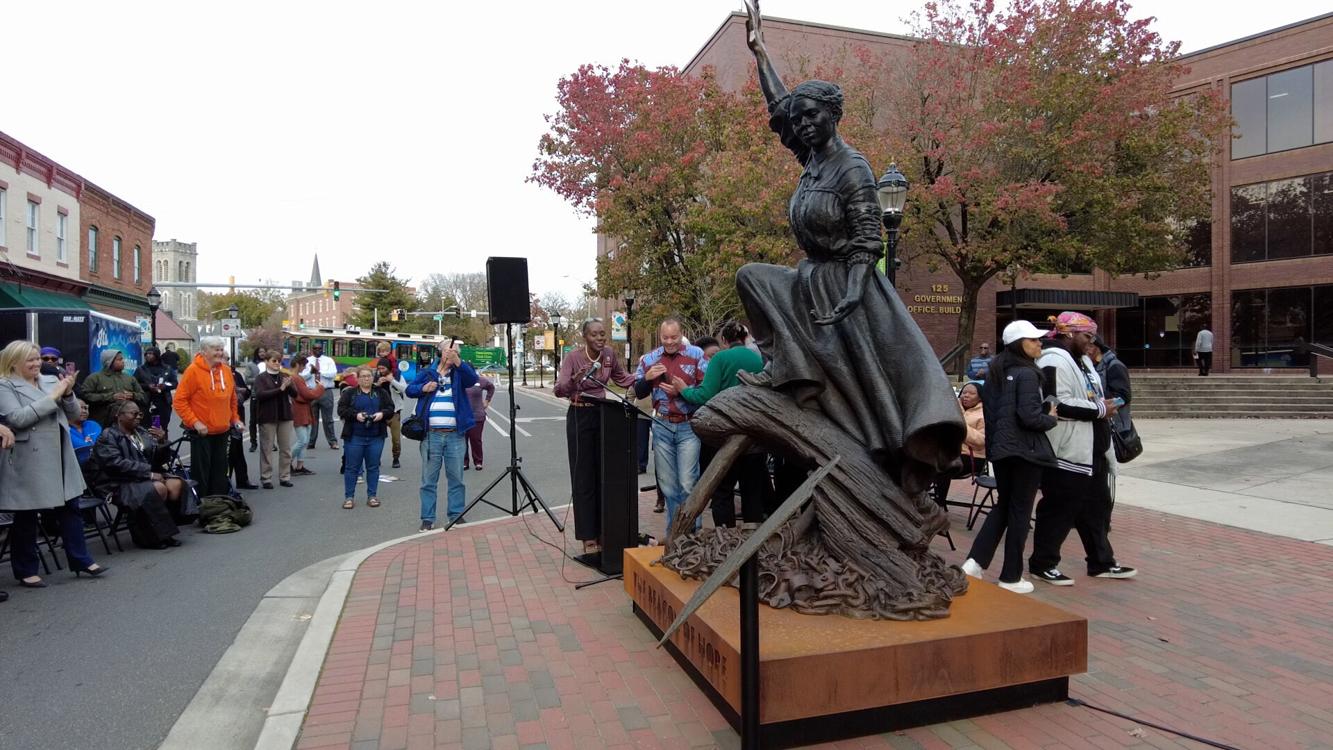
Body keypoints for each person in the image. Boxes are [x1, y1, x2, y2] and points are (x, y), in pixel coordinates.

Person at [735, 5, 964, 495]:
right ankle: (782, 368)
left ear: (833, 114)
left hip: (848, 286)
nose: (804, 124)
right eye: (802, 119)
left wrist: (854, 294)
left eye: (813, 115)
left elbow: (868, 239)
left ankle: (885, 463)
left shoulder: (850, 168)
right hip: (813, 276)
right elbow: (780, 110)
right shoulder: (811, 158)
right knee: (751, 276)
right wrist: (759, 51)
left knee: (864, 392)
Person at [1029, 312, 1136, 586]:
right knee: (1060, 508)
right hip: (1067, 451)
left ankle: (1101, 562)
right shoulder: (1053, 359)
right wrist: (1101, 408)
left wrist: (1103, 406)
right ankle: (1043, 563)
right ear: (1068, 333)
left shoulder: (1084, 360)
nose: (1092, 342)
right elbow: (1055, 403)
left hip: (1093, 450)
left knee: (1097, 509)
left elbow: (1091, 397)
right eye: (1087, 336)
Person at [959, 321, 1058, 593]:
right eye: (1034, 340)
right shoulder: (1027, 375)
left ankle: (975, 562)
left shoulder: (995, 373)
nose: (1040, 343)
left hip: (1001, 452)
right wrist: (1049, 419)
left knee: (1004, 506)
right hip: (1025, 452)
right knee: (1019, 513)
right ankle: (1011, 575)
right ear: (1019, 344)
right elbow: (1029, 417)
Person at [0, 340, 107, 586]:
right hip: (29, 457)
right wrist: (55, 395)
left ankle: (81, 559)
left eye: (38, 358)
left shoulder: (50, 382)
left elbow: (71, 416)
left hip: (59, 452)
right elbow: (18, 418)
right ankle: (26, 569)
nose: (37, 364)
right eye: (31, 360)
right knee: (27, 516)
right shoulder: (5, 386)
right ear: (14, 362)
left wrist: (68, 394)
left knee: (71, 507)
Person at [675, 320, 769, 528]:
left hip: (725, 436)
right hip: (754, 435)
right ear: (744, 339)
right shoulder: (757, 358)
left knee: (722, 491)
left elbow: (706, 394)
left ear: (724, 340)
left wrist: (683, 389)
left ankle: (725, 540)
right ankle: (750, 545)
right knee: (751, 493)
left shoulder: (720, 358)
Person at [555, 319, 637, 553]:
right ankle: (587, 535)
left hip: (602, 416)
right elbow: (559, 389)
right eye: (595, 335)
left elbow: (623, 379)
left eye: (603, 334)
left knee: (603, 474)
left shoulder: (609, 355)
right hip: (579, 417)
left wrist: (646, 376)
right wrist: (574, 380)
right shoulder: (573, 358)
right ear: (585, 337)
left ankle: (604, 529)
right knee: (583, 477)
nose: (600, 338)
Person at [634, 318, 706, 532]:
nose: (669, 342)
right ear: (660, 336)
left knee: (687, 482)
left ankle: (693, 531)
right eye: (665, 337)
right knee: (667, 484)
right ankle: (675, 533)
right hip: (661, 425)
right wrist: (647, 378)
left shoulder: (696, 355)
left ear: (680, 334)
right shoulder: (650, 359)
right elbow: (638, 392)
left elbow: (706, 391)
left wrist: (682, 391)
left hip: (688, 426)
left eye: (674, 337)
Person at [89, 399, 184, 549]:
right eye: (134, 414)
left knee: (176, 484)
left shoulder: (141, 432)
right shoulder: (108, 436)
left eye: (140, 413)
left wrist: (162, 442)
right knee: (158, 488)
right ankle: (148, 537)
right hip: (118, 482)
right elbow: (115, 464)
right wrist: (149, 474)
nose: (139, 417)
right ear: (119, 416)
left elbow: (159, 461)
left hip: (141, 477)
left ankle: (166, 531)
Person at [406, 347, 479, 531]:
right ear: (440, 353)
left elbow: (472, 379)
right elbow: (410, 390)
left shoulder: (459, 373)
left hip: (455, 434)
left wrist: (458, 362)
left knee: (457, 478)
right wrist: (424, 387)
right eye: (448, 350)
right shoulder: (428, 373)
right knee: (429, 480)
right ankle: (427, 518)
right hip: (431, 435)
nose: (451, 353)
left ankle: (456, 515)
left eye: (455, 351)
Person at [174, 336, 246, 497]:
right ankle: (203, 509)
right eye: (216, 349)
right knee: (202, 474)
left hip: (222, 431)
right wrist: (195, 422)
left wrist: (235, 419)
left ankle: (219, 507)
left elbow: (232, 399)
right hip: (202, 434)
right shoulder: (193, 371)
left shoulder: (226, 371)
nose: (220, 353)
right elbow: (179, 401)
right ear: (204, 352)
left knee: (220, 473)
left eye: (221, 349)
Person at [338, 365, 394, 509]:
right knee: (352, 468)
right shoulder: (350, 393)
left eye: (369, 376)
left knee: (373, 467)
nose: (366, 379)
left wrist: (381, 414)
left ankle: (372, 496)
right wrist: (356, 415)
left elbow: (390, 408)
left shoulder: (380, 392)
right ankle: (349, 497)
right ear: (357, 378)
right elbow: (341, 410)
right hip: (355, 436)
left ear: (372, 377)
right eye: (363, 376)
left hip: (376, 436)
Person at [931, 382, 987, 509]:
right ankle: (922, 499)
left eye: (971, 393)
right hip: (947, 451)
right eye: (964, 392)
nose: (966, 396)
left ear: (980, 397)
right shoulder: (953, 408)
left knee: (945, 465)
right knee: (924, 461)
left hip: (972, 457)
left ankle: (940, 503)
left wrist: (960, 427)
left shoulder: (984, 414)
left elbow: (981, 441)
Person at [253, 351, 296, 489]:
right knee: (267, 449)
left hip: (284, 415)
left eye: (279, 361)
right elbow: (261, 395)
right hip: (267, 416)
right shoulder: (261, 378)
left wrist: (289, 386)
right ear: (266, 362)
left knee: (285, 449)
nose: (277, 363)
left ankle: (285, 476)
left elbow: (295, 395)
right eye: (274, 361)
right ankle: (266, 478)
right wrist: (280, 389)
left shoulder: (284, 376)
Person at [78, 349, 148, 428]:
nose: (123, 361)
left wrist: (133, 395)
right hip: (102, 423)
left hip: (126, 424)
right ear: (109, 362)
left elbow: (143, 396)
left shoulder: (130, 379)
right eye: (119, 359)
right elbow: (84, 396)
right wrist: (110, 397)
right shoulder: (94, 378)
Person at [289, 354, 324, 476]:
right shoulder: (296, 378)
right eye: (303, 365)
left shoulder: (296, 377)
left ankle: (300, 466)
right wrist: (320, 388)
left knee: (305, 439)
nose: (304, 368)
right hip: (299, 410)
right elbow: (307, 395)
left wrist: (310, 392)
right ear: (298, 364)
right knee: (303, 440)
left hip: (303, 409)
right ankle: (286, 462)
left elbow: (304, 395)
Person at [227, 354, 258, 491]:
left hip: (238, 416)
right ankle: (225, 482)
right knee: (229, 452)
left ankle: (242, 480)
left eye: (227, 358)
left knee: (238, 450)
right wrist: (235, 391)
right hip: (224, 419)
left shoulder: (235, 374)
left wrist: (241, 393)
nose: (226, 361)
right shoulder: (217, 374)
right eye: (224, 358)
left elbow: (246, 391)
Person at [135, 346, 178, 439]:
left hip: (163, 403)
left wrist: (165, 386)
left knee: (161, 427)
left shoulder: (167, 369)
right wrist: (147, 387)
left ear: (157, 355)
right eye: (146, 354)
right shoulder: (140, 369)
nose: (148, 356)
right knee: (147, 428)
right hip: (146, 403)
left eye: (151, 354)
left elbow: (174, 383)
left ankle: (163, 448)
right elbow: (135, 384)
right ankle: (148, 449)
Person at [374, 357, 408, 469]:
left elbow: (405, 389)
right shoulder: (376, 376)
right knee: (378, 438)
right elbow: (368, 391)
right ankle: (375, 458)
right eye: (379, 368)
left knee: (396, 438)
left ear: (388, 368)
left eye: (383, 368)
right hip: (379, 412)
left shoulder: (397, 376)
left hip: (394, 412)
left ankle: (396, 458)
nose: (381, 370)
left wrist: (391, 380)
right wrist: (377, 384)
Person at [305, 343, 339, 450]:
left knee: (328, 419)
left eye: (319, 349)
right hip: (311, 391)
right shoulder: (307, 361)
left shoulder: (328, 360)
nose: (317, 350)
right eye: (315, 348)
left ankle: (332, 441)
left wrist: (319, 371)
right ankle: (311, 442)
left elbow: (333, 374)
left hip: (325, 391)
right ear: (312, 350)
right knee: (312, 419)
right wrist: (311, 372)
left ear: (322, 350)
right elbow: (302, 376)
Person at [463, 374, 495, 471]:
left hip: (477, 415)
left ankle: (478, 462)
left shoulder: (479, 380)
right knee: (462, 441)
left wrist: (487, 401)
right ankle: (464, 462)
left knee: (475, 439)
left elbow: (491, 387)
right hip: (462, 416)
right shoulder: (459, 380)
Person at [68, 399, 103, 466]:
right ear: (68, 409)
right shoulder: (64, 429)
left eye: (86, 408)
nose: (84, 411)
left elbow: (104, 446)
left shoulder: (93, 424)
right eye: (80, 408)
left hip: (98, 466)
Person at [245, 347, 267, 452]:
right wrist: (259, 378)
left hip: (267, 395)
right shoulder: (251, 365)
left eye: (264, 352)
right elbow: (247, 380)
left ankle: (269, 442)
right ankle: (253, 443)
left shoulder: (269, 363)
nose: (262, 354)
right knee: (253, 421)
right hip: (255, 395)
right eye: (260, 352)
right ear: (256, 353)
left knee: (267, 421)